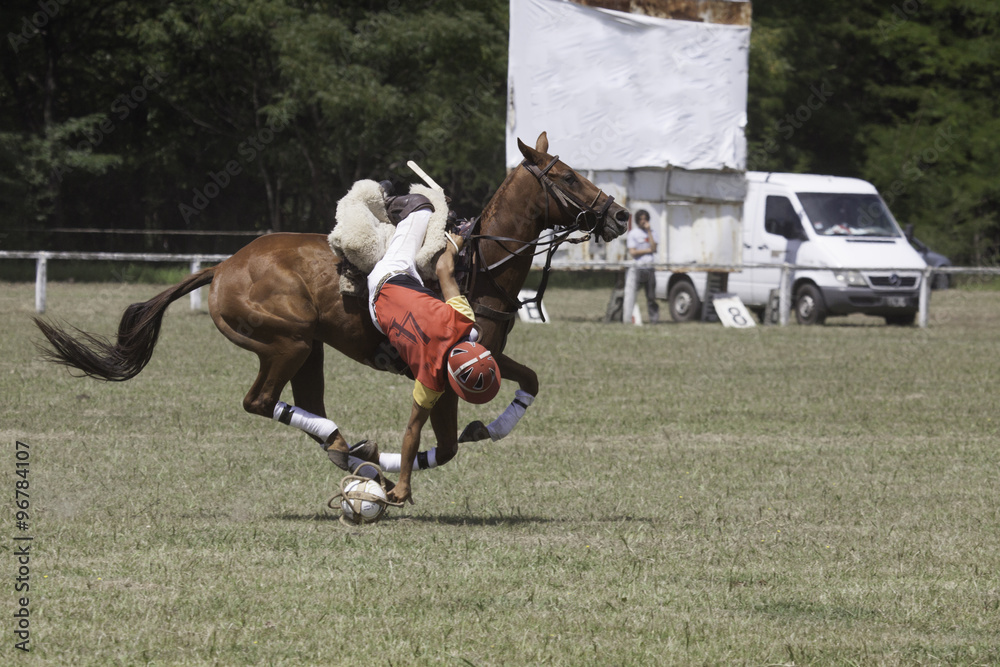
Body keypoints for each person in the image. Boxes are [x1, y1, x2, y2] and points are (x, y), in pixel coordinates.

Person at [366, 188, 501, 505]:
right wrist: (404, 484)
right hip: (387, 287)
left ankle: (391, 200)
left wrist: (454, 244)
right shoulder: (431, 380)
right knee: (420, 211)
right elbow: (412, 428)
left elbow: (443, 269)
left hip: (393, 278)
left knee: (422, 207)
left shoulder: (465, 320)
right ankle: (375, 204)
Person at [625, 209, 659, 324]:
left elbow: (654, 248)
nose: (643, 221)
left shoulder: (652, 233)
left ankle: (653, 320)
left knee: (651, 296)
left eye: (645, 219)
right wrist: (648, 250)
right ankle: (628, 318)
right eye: (641, 219)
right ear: (637, 220)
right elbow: (633, 252)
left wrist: (648, 231)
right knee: (632, 295)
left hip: (650, 267)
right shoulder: (633, 234)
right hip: (638, 268)